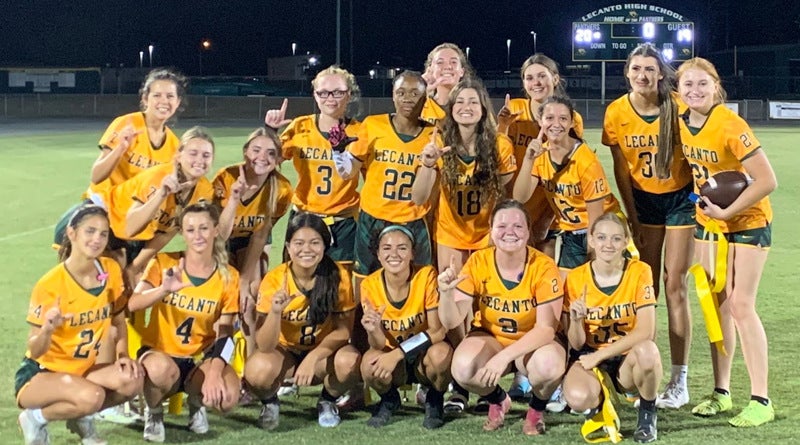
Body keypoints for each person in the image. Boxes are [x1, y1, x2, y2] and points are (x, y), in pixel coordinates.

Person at [677, 57, 777, 427]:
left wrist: (727, 210)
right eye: (688, 85)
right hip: (711, 222)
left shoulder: (730, 123)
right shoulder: (684, 120)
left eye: (703, 84)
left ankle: (761, 399)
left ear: (716, 86)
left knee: (741, 305)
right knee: (716, 303)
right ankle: (722, 392)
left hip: (748, 221)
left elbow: (767, 181)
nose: (695, 91)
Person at [603, 43, 695, 409]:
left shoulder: (679, 105)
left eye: (649, 69)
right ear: (627, 73)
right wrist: (633, 217)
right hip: (643, 202)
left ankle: (680, 378)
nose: (642, 75)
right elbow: (621, 169)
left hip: (681, 199)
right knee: (647, 287)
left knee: (676, 286)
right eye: (636, 69)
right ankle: (643, 368)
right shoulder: (616, 112)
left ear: (660, 74)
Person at [16, 204, 143, 445]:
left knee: (132, 379)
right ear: (72, 234)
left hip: (84, 369)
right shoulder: (50, 284)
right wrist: (47, 329)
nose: (97, 239)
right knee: (92, 397)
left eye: (103, 234)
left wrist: (123, 353)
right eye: (90, 231)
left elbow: (118, 317)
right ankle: (35, 417)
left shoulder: (110, 270)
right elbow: (35, 350)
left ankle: (80, 414)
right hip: (42, 373)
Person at [438, 200, 565, 435]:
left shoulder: (544, 267)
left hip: (532, 341)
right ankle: (498, 400)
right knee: (463, 368)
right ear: (491, 230)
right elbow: (451, 321)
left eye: (518, 226)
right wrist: (445, 295)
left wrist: (504, 357)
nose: (510, 232)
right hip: (492, 337)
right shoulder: (478, 262)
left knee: (549, 366)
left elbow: (547, 329)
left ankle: (536, 410)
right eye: (502, 225)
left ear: (528, 232)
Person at [128, 202, 241, 442]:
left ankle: (196, 403)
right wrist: (163, 290)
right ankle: (154, 412)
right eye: (190, 230)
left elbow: (227, 330)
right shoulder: (164, 263)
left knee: (227, 397)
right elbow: (133, 303)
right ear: (182, 232)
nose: (197, 235)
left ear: (215, 230)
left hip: (200, 360)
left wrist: (214, 372)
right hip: (161, 357)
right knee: (158, 370)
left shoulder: (229, 276)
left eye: (203, 228)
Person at [244, 213, 361, 429]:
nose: (306, 249)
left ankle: (327, 400)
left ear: (325, 246)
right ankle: (270, 402)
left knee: (351, 362)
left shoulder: (339, 276)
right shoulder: (275, 280)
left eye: (314, 243)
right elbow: (265, 345)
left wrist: (313, 357)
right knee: (256, 371)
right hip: (285, 353)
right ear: (288, 247)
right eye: (299, 243)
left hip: (321, 355)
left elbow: (344, 332)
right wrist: (276, 313)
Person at [562, 212, 662, 444]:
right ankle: (599, 402)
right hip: (589, 355)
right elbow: (576, 343)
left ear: (626, 241)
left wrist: (600, 355)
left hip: (625, 356)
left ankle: (647, 413)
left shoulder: (640, 271)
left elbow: (646, 331)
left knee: (648, 351)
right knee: (577, 398)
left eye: (616, 239)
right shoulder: (576, 278)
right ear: (592, 240)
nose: (608, 244)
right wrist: (576, 319)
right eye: (602, 237)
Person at [336, 70, 435, 281]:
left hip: (413, 218)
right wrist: (337, 152)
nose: (407, 98)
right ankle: (362, 315)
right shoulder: (372, 125)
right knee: (364, 277)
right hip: (373, 216)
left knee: (419, 280)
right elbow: (349, 172)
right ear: (393, 95)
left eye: (414, 93)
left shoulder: (434, 135)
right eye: (401, 92)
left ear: (425, 97)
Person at [412, 76, 516, 271]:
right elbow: (418, 198)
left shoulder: (500, 145)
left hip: (487, 235)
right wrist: (427, 165)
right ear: (450, 109)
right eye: (459, 102)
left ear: (483, 109)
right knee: (453, 293)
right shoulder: (438, 143)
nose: (466, 107)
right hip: (450, 234)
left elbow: (507, 194)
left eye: (473, 102)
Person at [103, 126, 228, 286]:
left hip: (138, 237)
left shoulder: (204, 191)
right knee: (109, 290)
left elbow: (166, 232)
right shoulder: (159, 177)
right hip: (108, 224)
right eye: (193, 153)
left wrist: (135, 266)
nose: (200, 160)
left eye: (206, 155)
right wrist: (162, 193)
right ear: (179, 155)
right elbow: (130, 228)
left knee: (132, 287)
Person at [264, 66, 362, 265]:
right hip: (303, 218)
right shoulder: (300, 127)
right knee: (295, 285)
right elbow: (268, 162)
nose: (330, 98)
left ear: (349, 95)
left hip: (342, 222)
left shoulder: (360, 132)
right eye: (323, 92)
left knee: (340, 288)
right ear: (315, 95)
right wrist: (270, 131)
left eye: (338, 92)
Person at [513, 95, 621, 275]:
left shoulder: (585, 160)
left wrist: (595, 256)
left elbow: (596, 216)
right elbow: (520, 197)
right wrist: (528, 159)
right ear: (540, 121)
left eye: (563, 118)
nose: (556, 124)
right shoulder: (541, 155)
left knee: (601, 285)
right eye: (549, 118)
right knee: (566, 293)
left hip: (603, 228)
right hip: (572, 232)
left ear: (572, 123)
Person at [212, 127, 293, 363]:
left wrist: (246, 282)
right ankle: (216, 359)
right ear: (245, 152)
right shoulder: (225, 178)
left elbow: (260, 235)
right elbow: (218, 236)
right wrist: (235, 199)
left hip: (251, 240)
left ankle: (250, 366)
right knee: (225, 295)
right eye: (256, 150)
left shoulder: (282, 189)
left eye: (270, 153)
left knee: (251, 299)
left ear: (278, 159)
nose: (262, 158)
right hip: (221, 241)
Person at [359, 225, 452, 429]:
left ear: (412, 253)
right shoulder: (369, 285)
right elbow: (376, 344)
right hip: (395, 363)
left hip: (422, 357)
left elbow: (437, 330)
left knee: (441, 355)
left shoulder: (425, 275)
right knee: (369, 363)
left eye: (402, 248)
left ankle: (434, 399)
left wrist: (398, 353)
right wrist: (373, 329)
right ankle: (389, 399)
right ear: (378, 254)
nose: (394, 254)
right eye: (386, 248)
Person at [499, 54, 585, 256]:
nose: (536, 83)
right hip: (514, 206)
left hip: (548, 210)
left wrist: (548, 218)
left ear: (555, 79)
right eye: (529, 78)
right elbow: (498, 162)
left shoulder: (571, 119)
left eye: (542, 76)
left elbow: (564, 174)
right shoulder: (515, 110)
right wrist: (502, 127)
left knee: (544, 273)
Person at [87, 68, 187, 198]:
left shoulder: (174, 145)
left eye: (170, 96)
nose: (164, 101)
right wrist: (120, 149)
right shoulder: (126, 123)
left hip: (132, 211)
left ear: (177, 102)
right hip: (104, 203)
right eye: (157, 95)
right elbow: (96, 177)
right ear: (145, 99)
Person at [420, 43, 472, 125]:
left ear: (462, 71)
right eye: (440, 62)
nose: (447, 66)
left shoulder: (474, 106)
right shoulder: (420, 105)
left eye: (453, 62)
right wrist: (420, 88)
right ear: (430, 70)